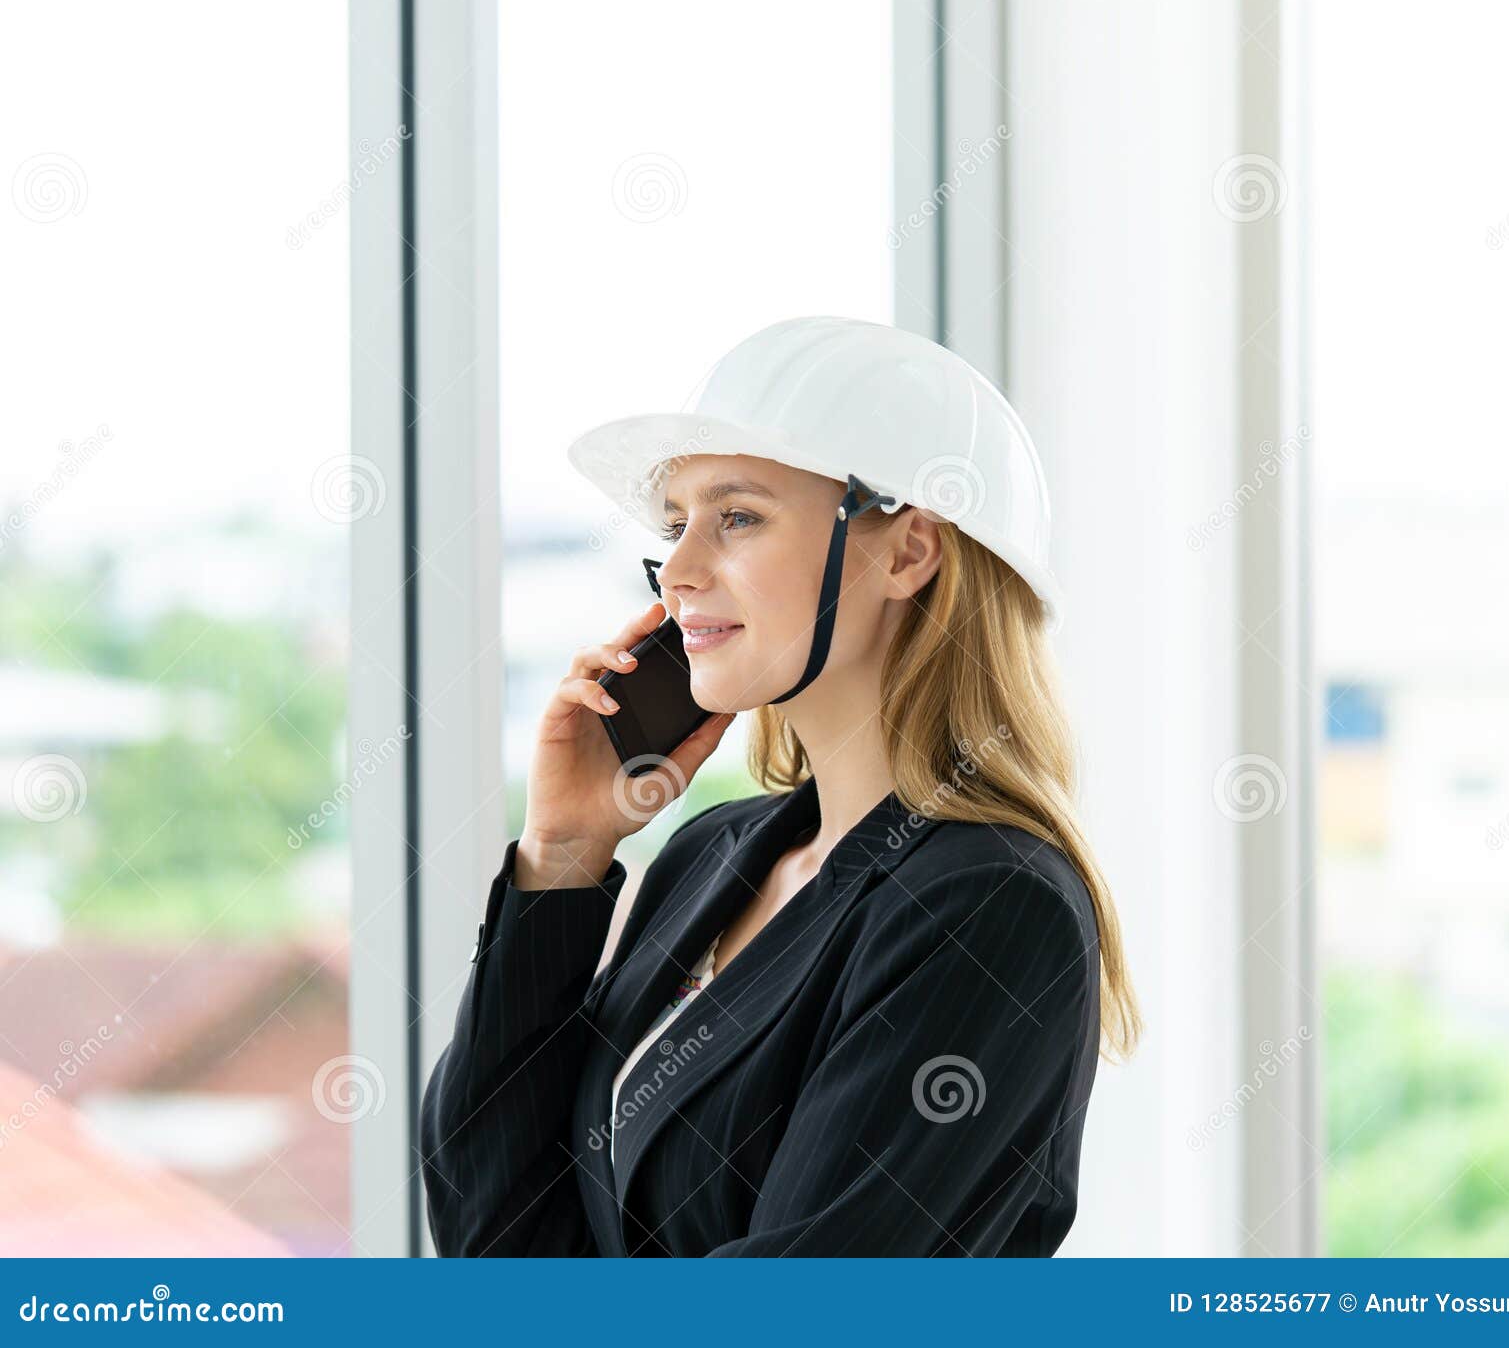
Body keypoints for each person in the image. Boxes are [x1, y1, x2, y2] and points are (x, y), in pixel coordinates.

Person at [421, 316, 1141, 1257]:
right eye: (676, 524)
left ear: (907, 551)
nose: (677, 569)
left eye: (737, 516)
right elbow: (498, 1235)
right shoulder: (707, 857)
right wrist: (562, 857)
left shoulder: (989, 905)